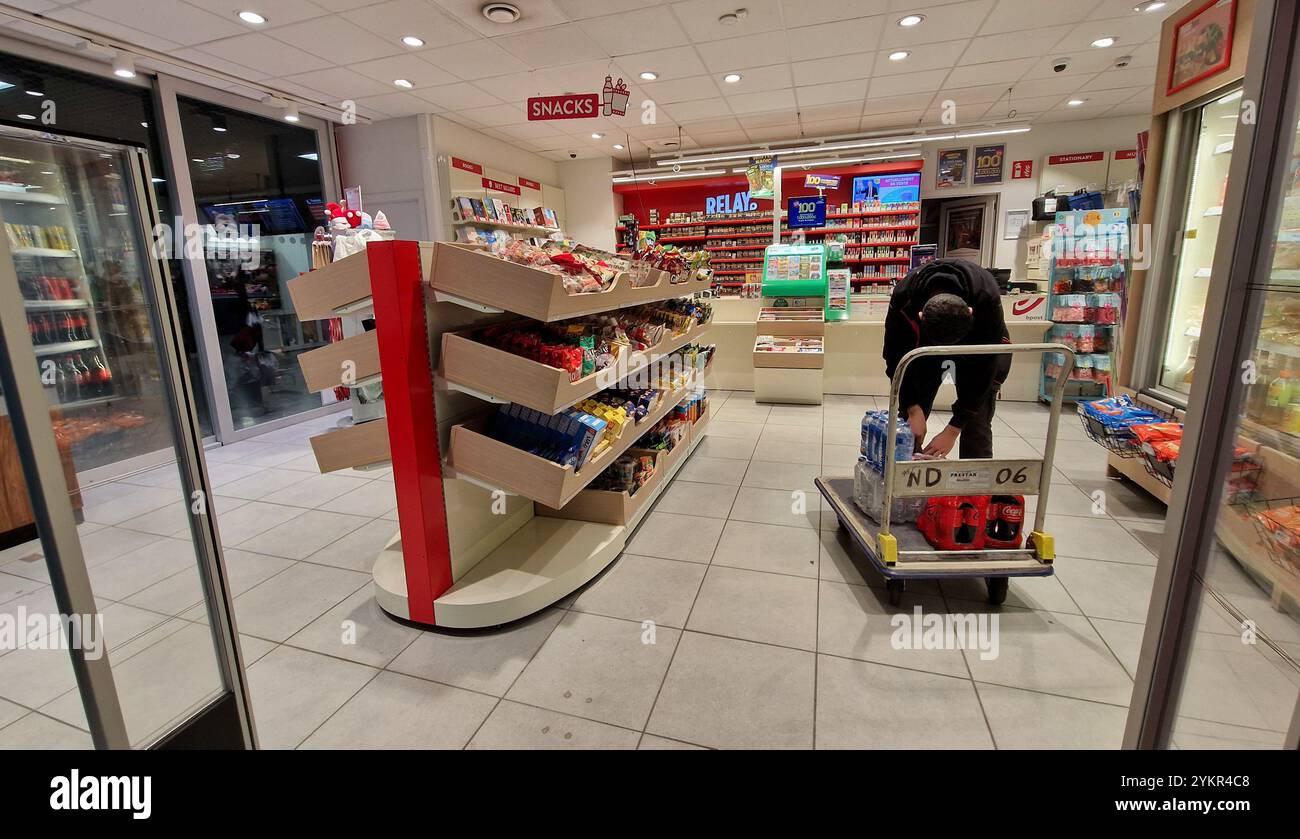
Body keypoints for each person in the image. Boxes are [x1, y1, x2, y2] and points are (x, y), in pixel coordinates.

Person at [882, 258, 1011, 459]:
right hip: (924, 354)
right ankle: (905, 477)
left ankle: (975, 487)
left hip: (975, 355)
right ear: (921, 315)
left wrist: (953, 429)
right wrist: (912, 407)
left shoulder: (986, 297)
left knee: (977, 425)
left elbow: (986, 366)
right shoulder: (904, 297)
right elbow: (895, 356)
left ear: (970, 312)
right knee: (908, 426)